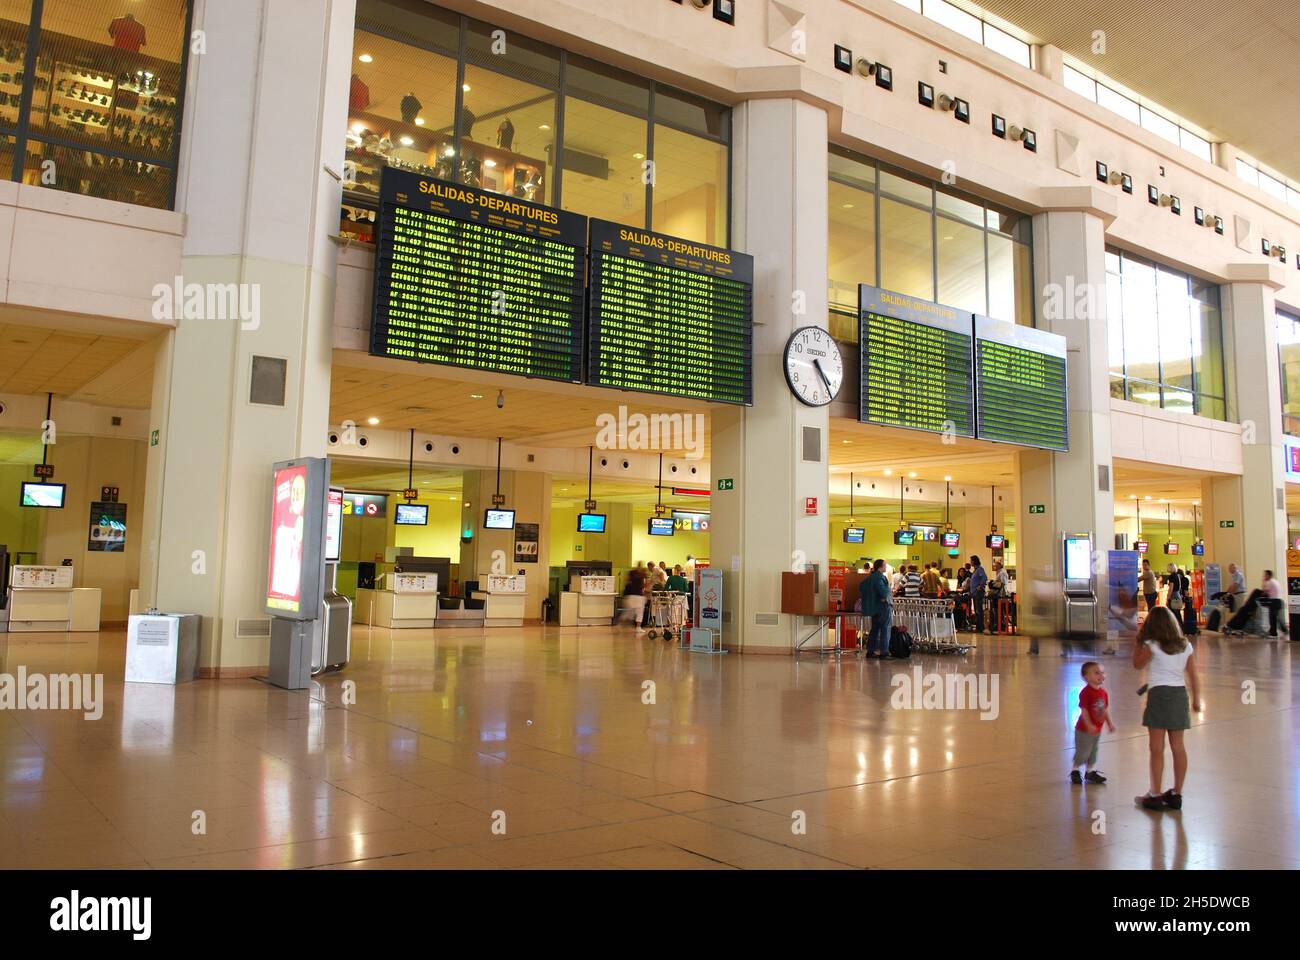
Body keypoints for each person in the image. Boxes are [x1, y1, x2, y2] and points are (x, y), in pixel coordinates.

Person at [1132, 607, 1202, 811]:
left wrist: (1138, 643)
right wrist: (1197, 700)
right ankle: (1177, 793)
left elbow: (1137, 665)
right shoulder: (1185, 645)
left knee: (1156, 748)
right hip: (1180, 695)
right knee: (1178, 747)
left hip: (1159, 696)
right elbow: (1193, 675)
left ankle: (1154, 793)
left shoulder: (1151, 644)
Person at [1070, 661, 1114, 785]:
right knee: (1083, 752)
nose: (1101, 675)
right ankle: (1075, 770)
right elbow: (1084, 711)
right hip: (1084, 730)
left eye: (1102, 672)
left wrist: (1109, 723)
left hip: (1097, 730)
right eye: (1096, 673)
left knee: (1093, 752)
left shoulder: (1103, 693)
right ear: (1086, 677)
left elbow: (1104, 710)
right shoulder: (1086, 692)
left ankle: (1090, 771)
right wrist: (1089, 725)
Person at [859, 558, 893, 659]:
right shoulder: (880, 577)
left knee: (874, 629)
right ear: (880, 567)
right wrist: (884, 596)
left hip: (874, 607)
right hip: (883, 607)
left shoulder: (870, 577)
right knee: (885, 628)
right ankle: (884, 652)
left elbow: (861, 587)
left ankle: (870, 651)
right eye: (885, 565)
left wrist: (871, 598)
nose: (886, 567)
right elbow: (883, 591)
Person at [968, 556, 988, 633]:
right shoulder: (975, 570)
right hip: (974, 593)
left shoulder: (980, 569)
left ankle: (980, 627)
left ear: (974, 561)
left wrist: (980, 586)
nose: (970, 562)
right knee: (976, 610)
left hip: (978, 593)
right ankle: (978, 627)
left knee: (979, 610)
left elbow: (984, 578)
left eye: (971, 561)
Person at [1261, 569, 1283, 637]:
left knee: (1272, 618)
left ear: (1268, 575)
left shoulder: (1269, 582)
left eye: (1265, 575)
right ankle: (1284, 630)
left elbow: (1264, 592)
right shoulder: (1275, 581)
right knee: (1277, 618)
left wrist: (1263, 582)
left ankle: (1273, 634)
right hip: (1279, 600)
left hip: (1274, 601)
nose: (1264, 576)